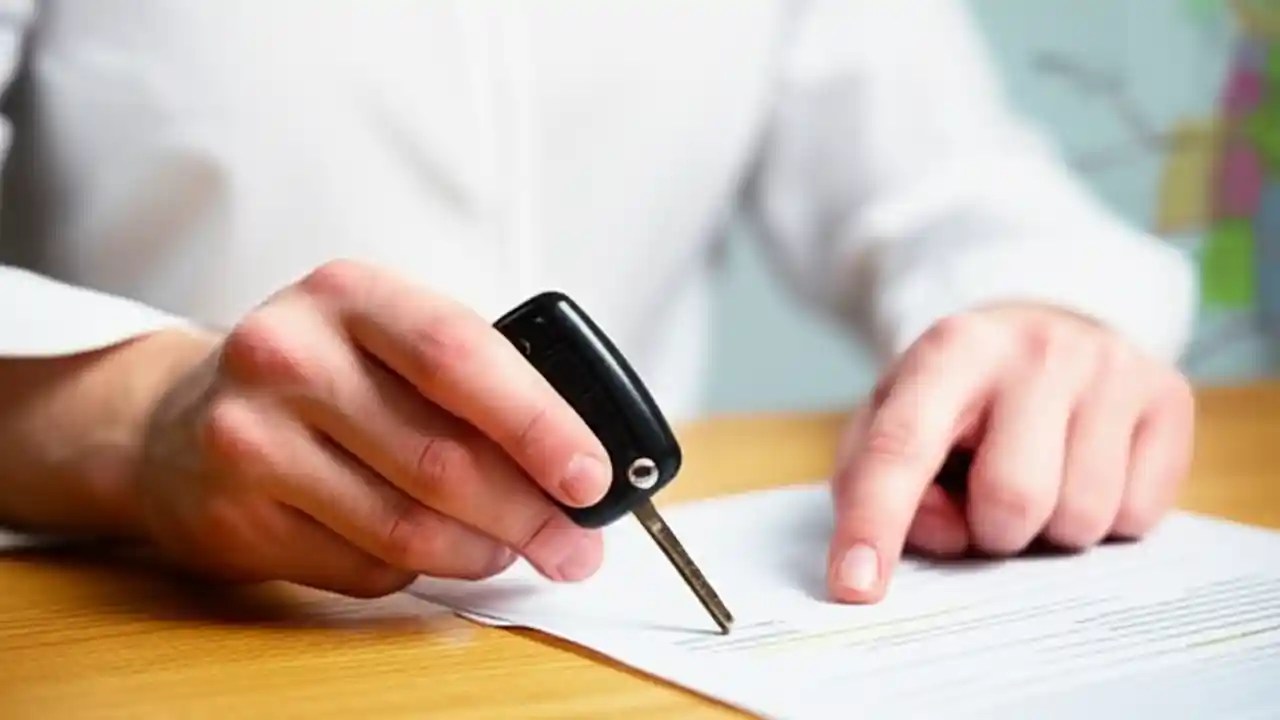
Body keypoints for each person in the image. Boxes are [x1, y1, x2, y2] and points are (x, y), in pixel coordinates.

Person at [0, 0, 1195, 603]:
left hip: (594, 631)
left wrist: (1052, 324)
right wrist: (149, 417)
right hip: (154, 613)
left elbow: (954, 185)